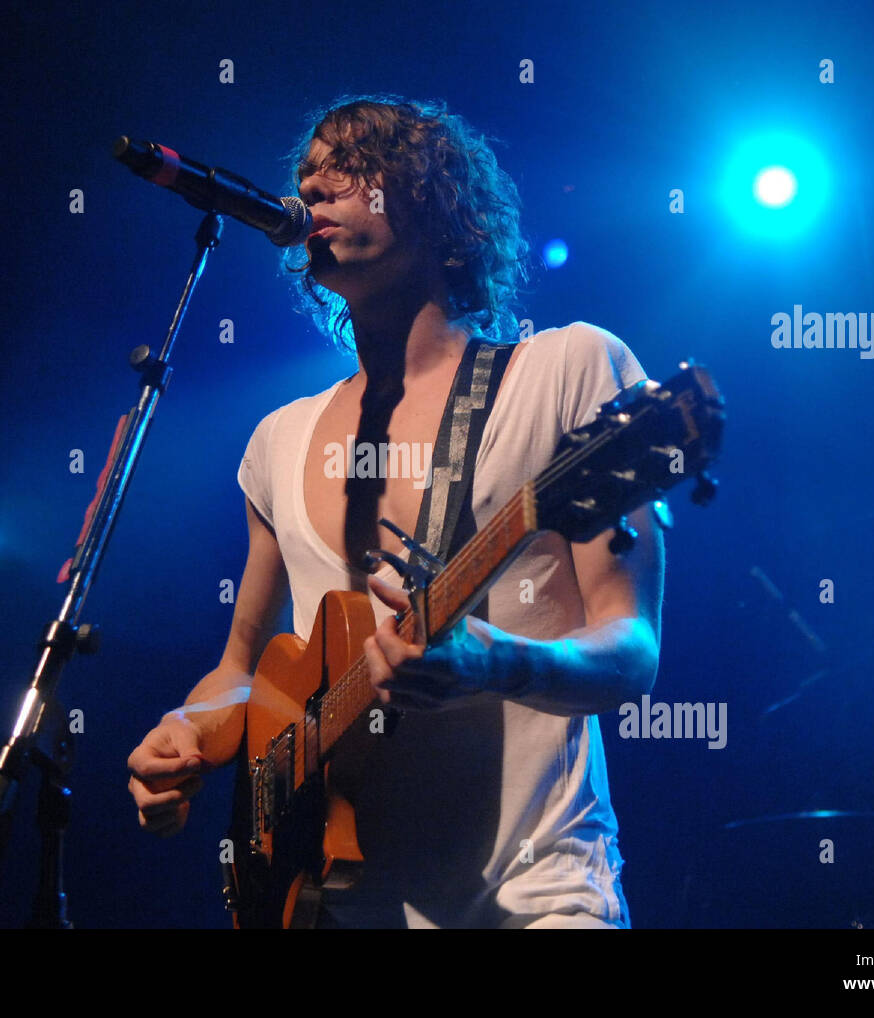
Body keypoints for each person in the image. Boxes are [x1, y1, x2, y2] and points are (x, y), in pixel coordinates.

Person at [126, 95, 664, 928]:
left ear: (436, 202)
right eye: (308, 171)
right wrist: (188, 731)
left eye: (353, 165)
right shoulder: (278, 437)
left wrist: (497, 663)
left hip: (537, 896)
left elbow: (632, 652)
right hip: (336, 902)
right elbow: (240, 670)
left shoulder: (569, 370)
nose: (314, 183)